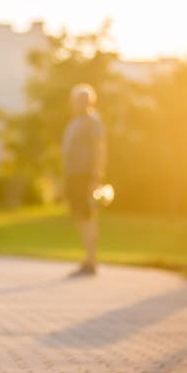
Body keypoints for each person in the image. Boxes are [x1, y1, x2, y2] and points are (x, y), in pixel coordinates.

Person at [61, 83, 107, 276]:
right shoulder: (74, 122)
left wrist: (96, 176)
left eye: (84, 99)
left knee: (87, 216)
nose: (80, 102)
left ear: (90, 101)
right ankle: (88, 258)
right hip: (73, 175)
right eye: (77, 99)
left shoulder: (93, 121)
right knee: (80, 216)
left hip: (86, 175)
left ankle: (91, 261)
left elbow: (99, 149)